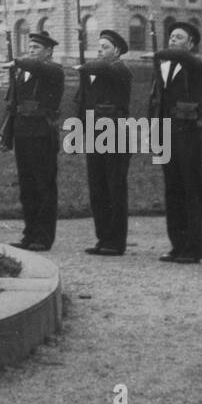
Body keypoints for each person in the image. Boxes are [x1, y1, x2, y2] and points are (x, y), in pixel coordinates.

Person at [149, 20, 202, 264]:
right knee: (172, 189)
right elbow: (156, 102)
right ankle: (177, 244)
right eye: (171, 36)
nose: (173, 40)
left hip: (189, 134)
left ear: (191, 43)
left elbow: (186, 59)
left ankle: (193, 248)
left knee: (191, 190)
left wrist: (158, 54)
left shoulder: (196, 64)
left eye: (179, 37)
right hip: (167, 133)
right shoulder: (164, 67)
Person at [0, 31, 64, 251]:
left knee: (43, 185)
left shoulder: (53, 70)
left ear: (48, 51)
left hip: (42, 133)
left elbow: (38, 67)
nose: (30, 51)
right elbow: (13, 105)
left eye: (36, 48)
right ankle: (29, 233)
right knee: (27, 187)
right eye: (29, 48)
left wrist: (18, 61)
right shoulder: (23, 74)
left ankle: (43, 236)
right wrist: (7, 135)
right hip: (23, 132)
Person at [76, 28, 133, 256]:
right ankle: (103, 238)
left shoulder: (120, 69)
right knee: (98, 186)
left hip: (115, 131)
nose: (100, 51)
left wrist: (82, 66)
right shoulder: (96, 72)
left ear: (117, 51)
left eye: (105, 47)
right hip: (95, 131)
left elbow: (99, 67)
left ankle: (116, 241)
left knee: (114, 186)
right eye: (98, 47)